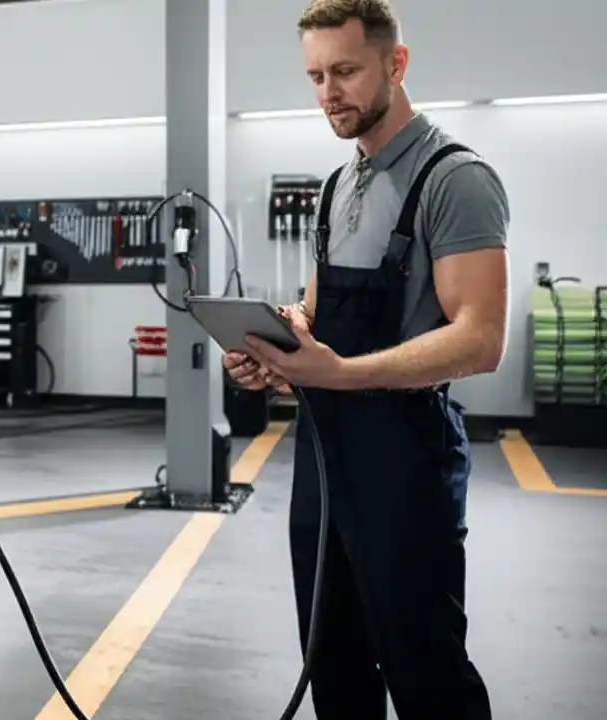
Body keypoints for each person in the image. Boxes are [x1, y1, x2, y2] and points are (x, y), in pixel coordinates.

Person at [223, 1, 509, 718]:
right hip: (323, 455)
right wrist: (277, 346)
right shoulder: (336, 184)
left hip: (406, 459)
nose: (328, 93)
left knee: (425, 666)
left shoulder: (455, 180)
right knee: (334, 659)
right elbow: (316, 314)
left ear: (396, 64)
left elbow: (480, 339)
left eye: (345, 71)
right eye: (316, 76)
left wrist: (340, 373)